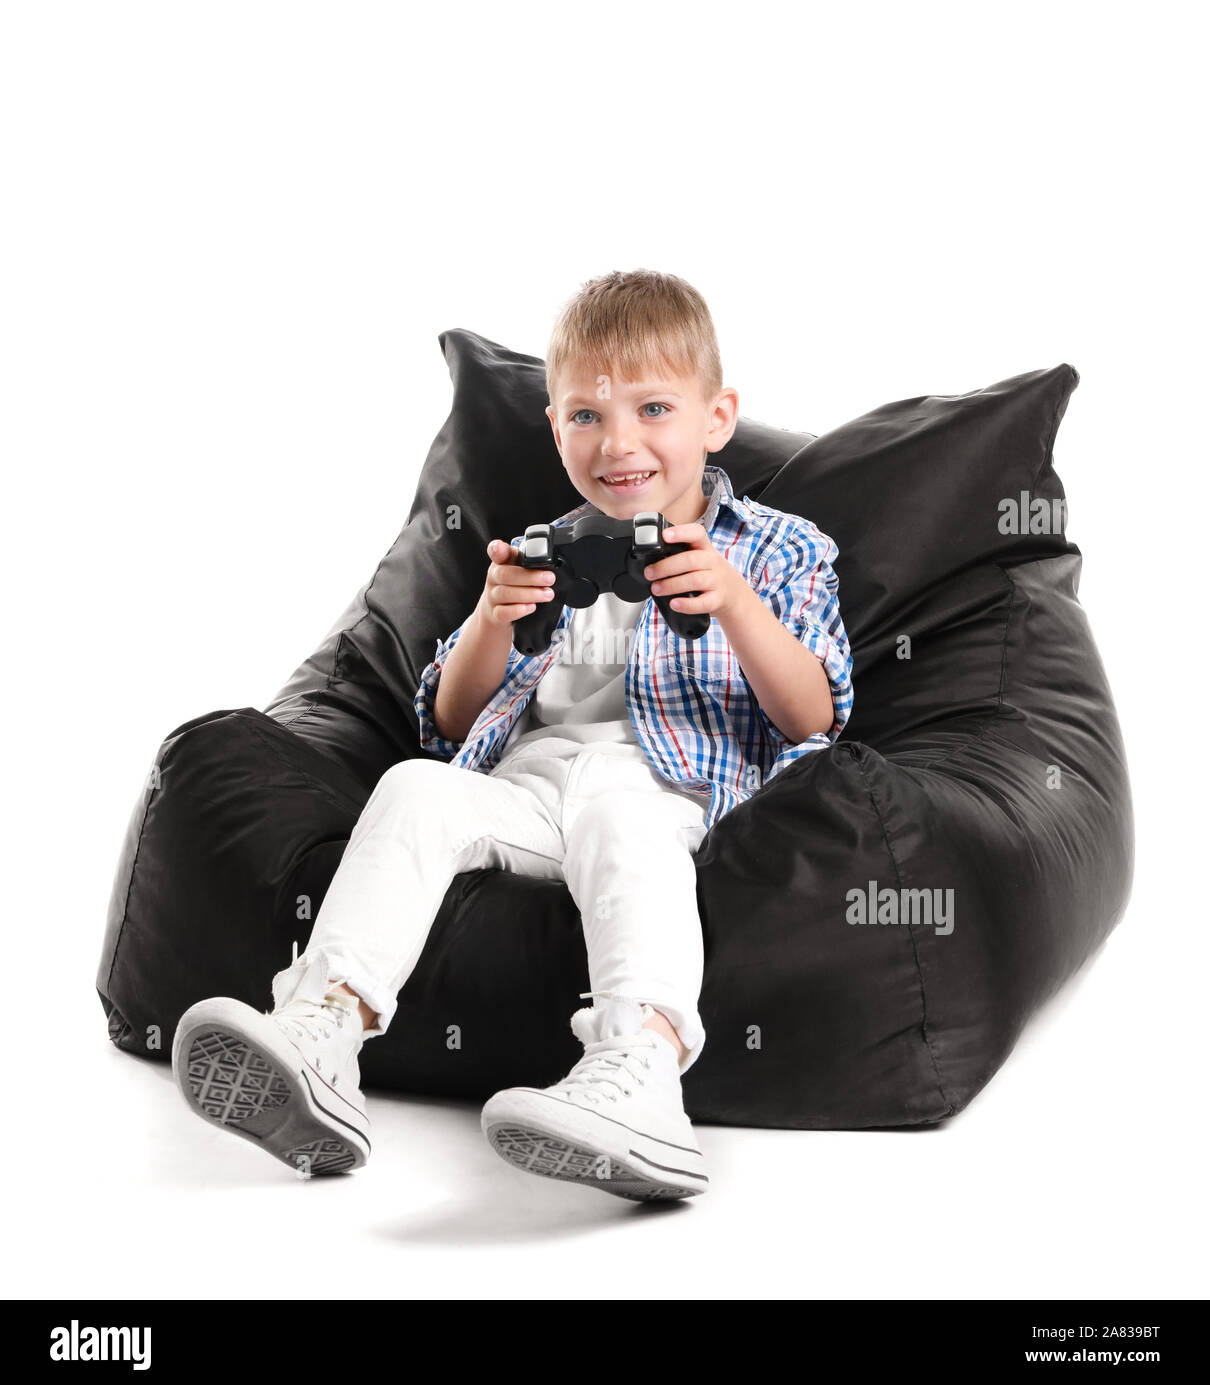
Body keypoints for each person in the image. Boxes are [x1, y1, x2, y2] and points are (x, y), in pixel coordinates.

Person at [171, 268, 854, 1201]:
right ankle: (323, 1029)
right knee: (414, 788)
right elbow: (447, 723)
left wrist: (733, 602)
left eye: (654, 409)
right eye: (586, 417)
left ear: (716, 418)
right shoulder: (541, 545)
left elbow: (815, 714)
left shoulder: (778, 547)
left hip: (666, 789)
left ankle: (642, 1077)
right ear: (554, 428)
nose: (620, 443)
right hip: (528, 788)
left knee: (623, 822)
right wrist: (493, 620)